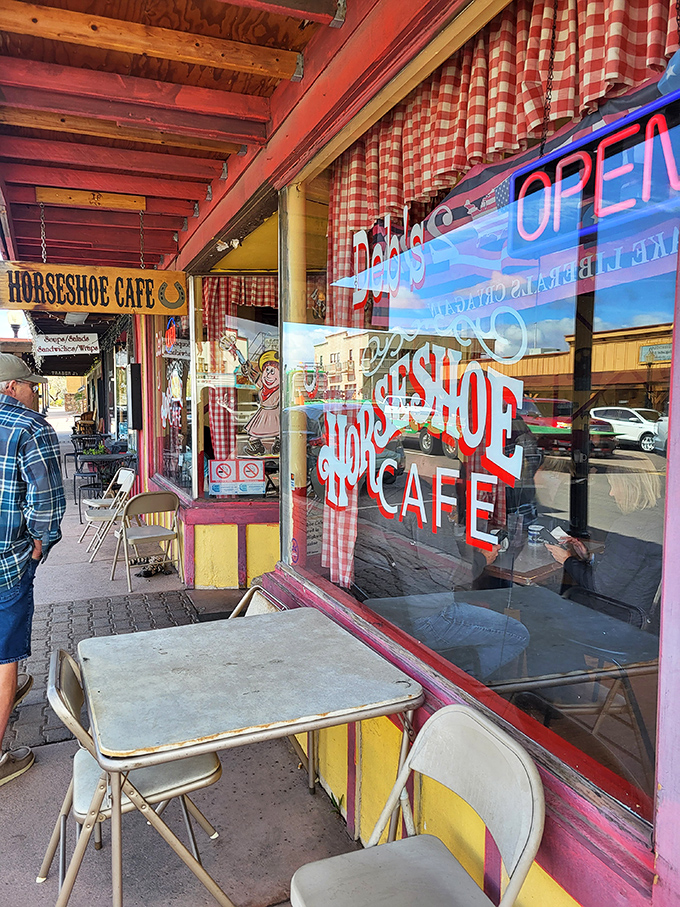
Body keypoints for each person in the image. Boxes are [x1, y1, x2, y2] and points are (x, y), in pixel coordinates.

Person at [0, 354, 65, 787]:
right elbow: (47, 504)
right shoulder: (30, 427)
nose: (35, 392)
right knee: (3, 658)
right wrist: (40, 544)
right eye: (29, 384)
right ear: (10, 387)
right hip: (7, 563)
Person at [546, 465, 663, 623]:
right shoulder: (657, 518)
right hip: (637, 612)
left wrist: (567, 559)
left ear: (630, 488)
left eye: (614, 485)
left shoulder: (629, 528)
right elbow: (625, 567)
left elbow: (600, 588)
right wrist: (589, 557)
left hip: (615, 617)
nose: (611, 493)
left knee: (550, 600)